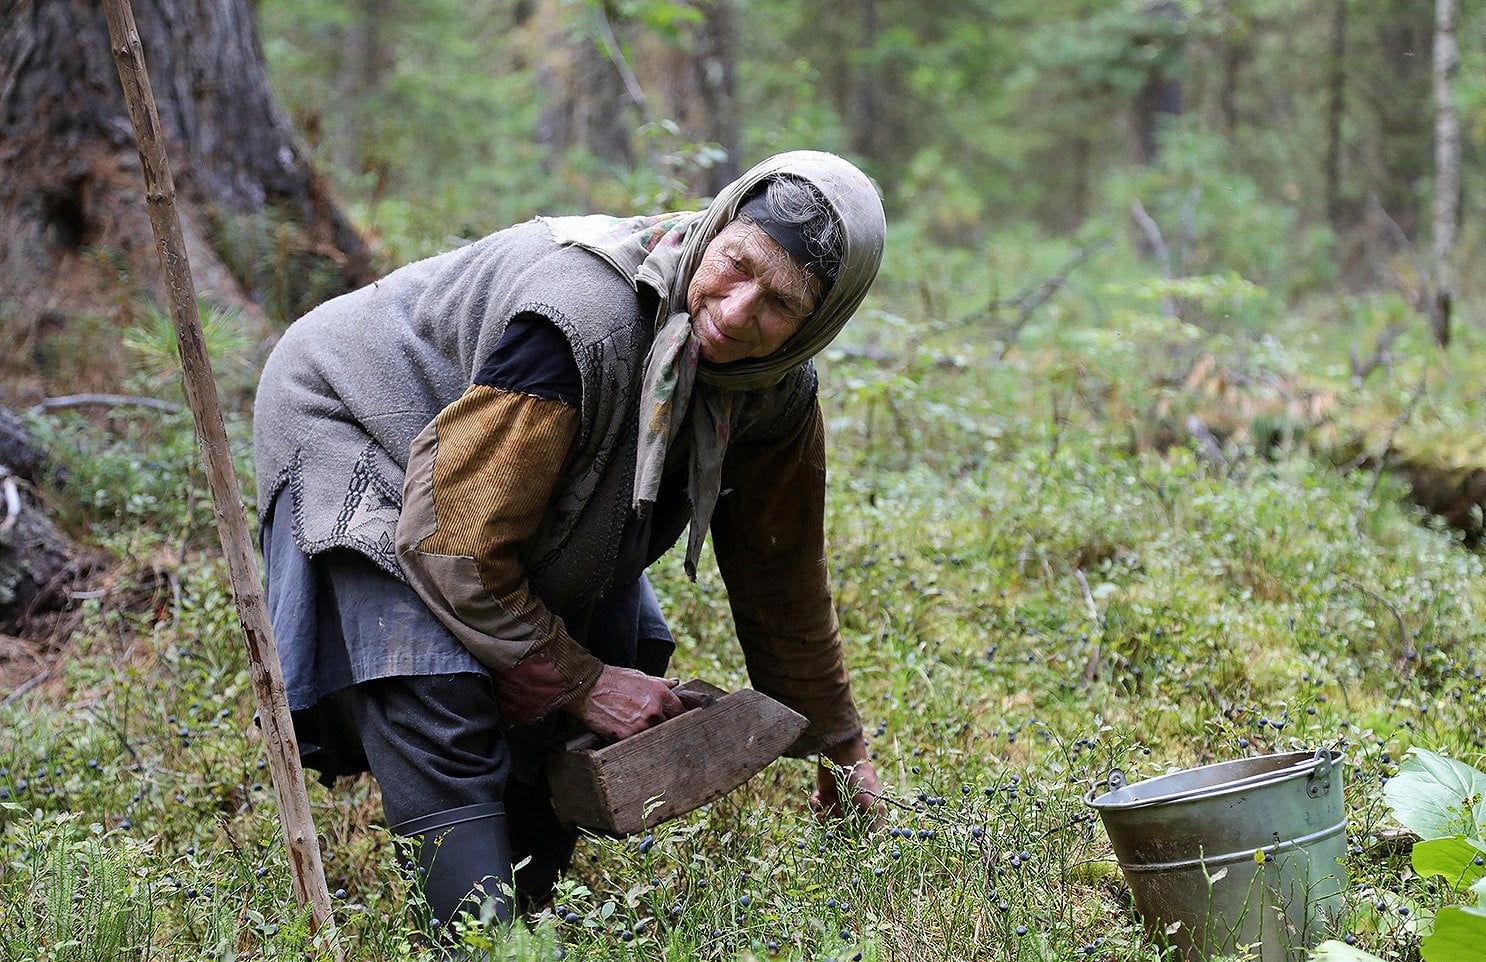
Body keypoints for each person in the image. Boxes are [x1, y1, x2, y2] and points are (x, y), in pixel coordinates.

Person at [252, 149, 887, 929]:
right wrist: (581, 680)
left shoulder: (777, 390)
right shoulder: (583, 324)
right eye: (736, 265)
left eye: (780, 302)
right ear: (717, 227)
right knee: (439, 675)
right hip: (359, 412)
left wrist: (839, 746)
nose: (736, 308)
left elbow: (780, 572)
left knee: (605, 640)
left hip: (509, 472)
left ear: (818, 322)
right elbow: (453, 537)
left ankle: (525, 906)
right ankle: (478, 940)